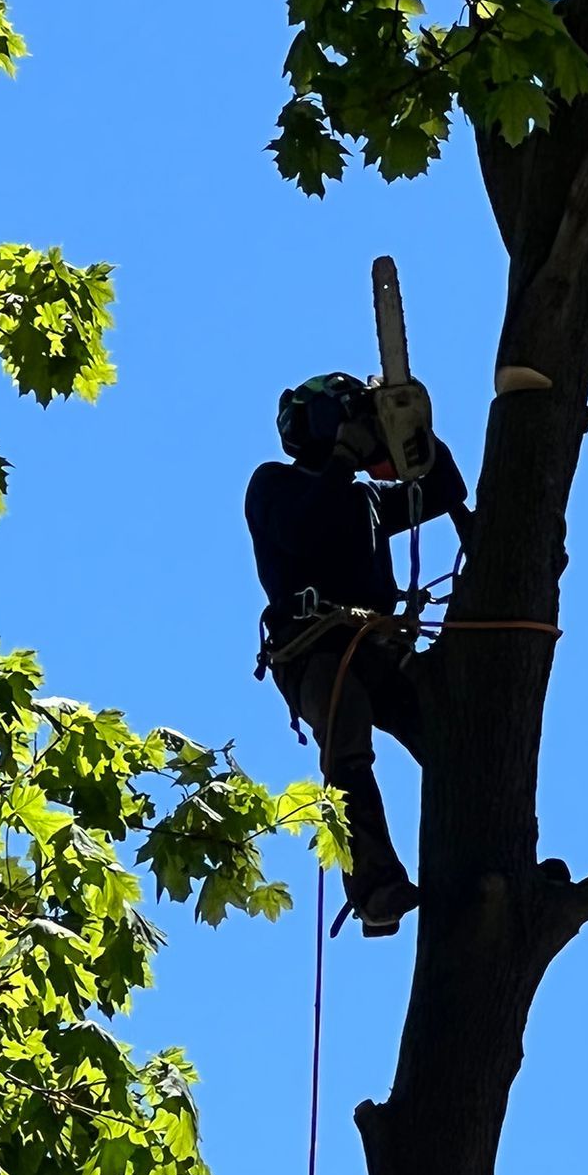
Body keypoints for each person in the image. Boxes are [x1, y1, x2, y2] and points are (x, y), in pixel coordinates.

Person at [246, 372, 470, 936]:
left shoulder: (365, 496)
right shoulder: (273, 484)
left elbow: (445, 491)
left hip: (378, 645)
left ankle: (485, 859)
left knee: (456, 741)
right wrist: (345, 455)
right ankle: (374, 886)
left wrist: (413, 434)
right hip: (315, 647)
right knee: (346, 749)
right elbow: (306, 531)